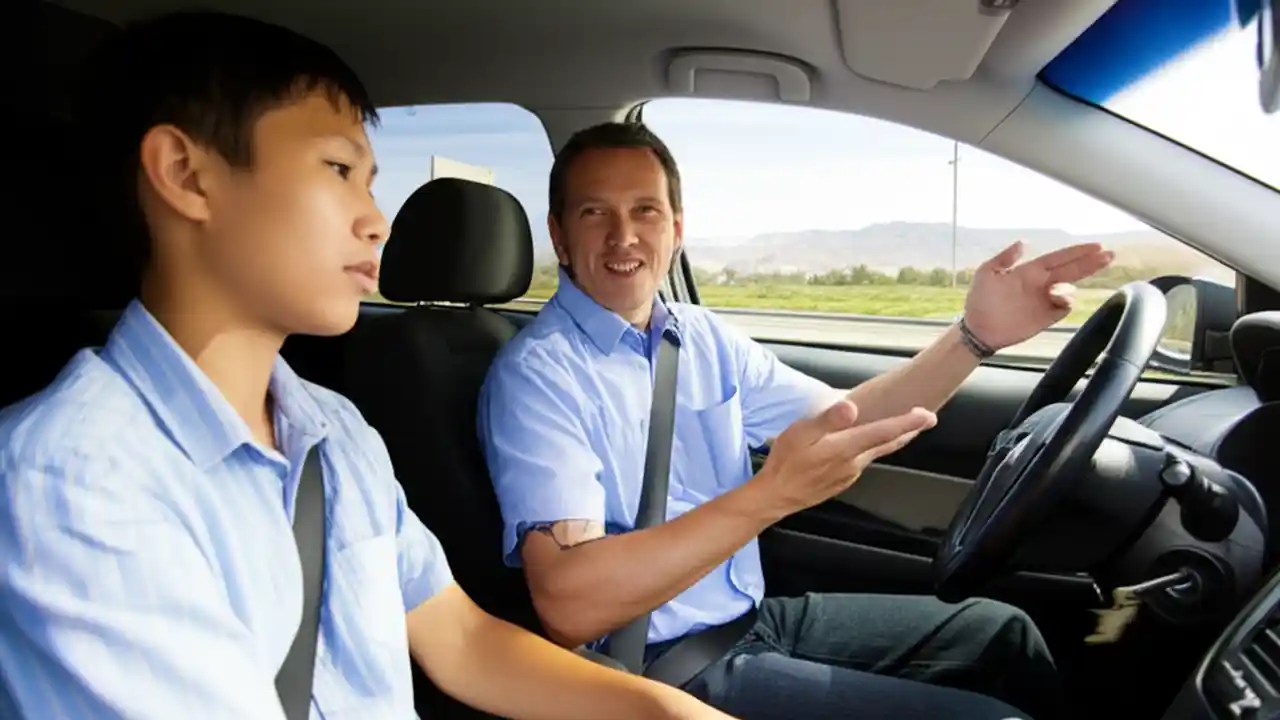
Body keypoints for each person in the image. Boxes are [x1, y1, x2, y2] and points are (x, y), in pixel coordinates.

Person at [0, 14, 737, 720]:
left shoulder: (335, 431)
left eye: (369, 178)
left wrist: (661, 706)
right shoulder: (69, 482)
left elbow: (462, 640)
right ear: (187, 176)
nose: (376, 217)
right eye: (338, 168)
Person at [478, 122, 1116, 719]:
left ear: (676, 227)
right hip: (653, 666)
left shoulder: (696, 337)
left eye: (645, 210)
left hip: (752, 622)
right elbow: (569, 604)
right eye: (596, 213)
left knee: (1002, 631)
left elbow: (845, 419)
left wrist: (975, 337)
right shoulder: (538, 376)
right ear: (559, 235)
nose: (624, 236)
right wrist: (770, 496)